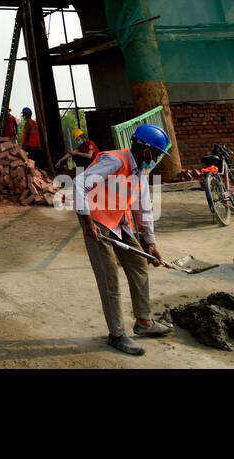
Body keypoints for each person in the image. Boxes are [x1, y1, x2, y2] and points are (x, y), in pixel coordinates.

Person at [76, 123, 174, 356]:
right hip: (96, 221)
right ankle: (117, 334)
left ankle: (144, 322)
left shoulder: (141, 171)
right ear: (145, 149)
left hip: (119, 222)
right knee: (109, 277)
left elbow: (143, 207)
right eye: (157, 154)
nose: (157, 158)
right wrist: (87, 222)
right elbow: (79, 184)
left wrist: (150, 243)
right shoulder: (115, 161)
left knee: (139, 265)